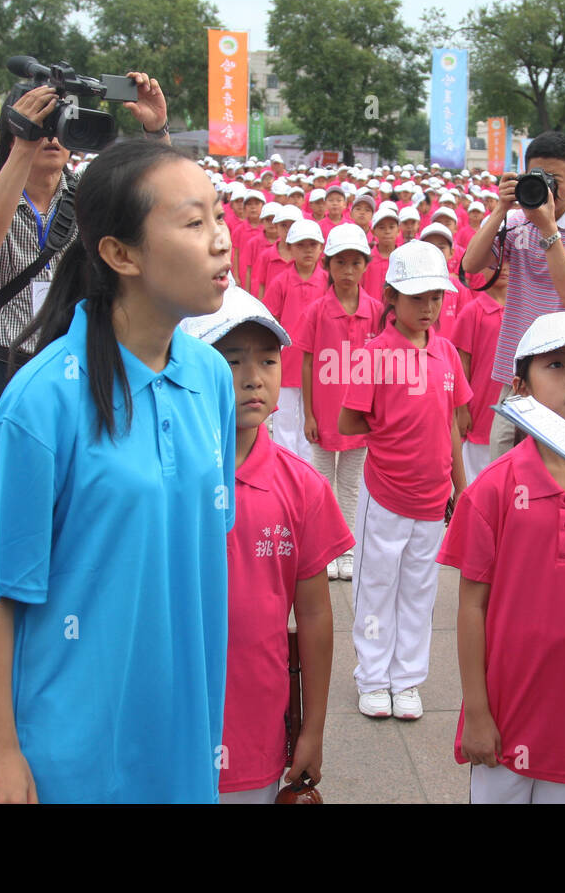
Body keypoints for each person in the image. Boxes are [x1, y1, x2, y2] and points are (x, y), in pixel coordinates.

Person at [0, 139, 236, 804]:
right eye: (194, 223)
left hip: (183, 728)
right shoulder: (41, 403)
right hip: (76, 747)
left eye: (219, 216)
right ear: (121, 254)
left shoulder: (209, 377)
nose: (222, 241)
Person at [0, 71, 169, 723]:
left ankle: (66, 664)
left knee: (79, 522)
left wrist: (154, 129)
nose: (53, 139)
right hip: (2, 372)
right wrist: (21, 146)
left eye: (58, 128)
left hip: (78, 370)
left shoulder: (85, 197)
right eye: (39, 127)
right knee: (1, 528)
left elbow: (157, 199)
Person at [446, 311, 565, 803]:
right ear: (520, 389)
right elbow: (471, 607)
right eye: (556, 365)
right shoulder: (494, 488)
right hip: (505, 718)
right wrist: (478, 713)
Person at [183, 286, 349, 803]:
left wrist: (313, 729)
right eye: (231, 360)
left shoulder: (303, 487)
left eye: (268, 360)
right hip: (169, 719)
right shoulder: (163, 477)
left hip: (256, 726)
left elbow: (316, 616)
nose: (253, 377)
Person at [339, 241, 471, 721]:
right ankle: (373, 677)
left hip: (433, 500)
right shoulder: (374, 355)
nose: (428, 307)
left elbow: (455, 424)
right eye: (417, 298)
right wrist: (393, 432)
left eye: (436, 297)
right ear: (392, 297)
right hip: (387, 494)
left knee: (419, 590)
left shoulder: (447, 354)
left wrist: (461, 486)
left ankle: (407, 679)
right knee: (377, 585)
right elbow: (351, 421)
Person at [460, 131, 565, 462]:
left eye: (553, 179)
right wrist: (501, 209)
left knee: (556, 460)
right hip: (516, 368)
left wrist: (547, 229)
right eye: (536, 177)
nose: (544, 186)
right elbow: (471, 265)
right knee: (504, 457)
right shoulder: (517, 220)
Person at [297, 224, 377, 581]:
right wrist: (309, 414)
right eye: (340, 262)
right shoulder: (316, 311)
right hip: (325, 414)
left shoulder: (376, 311)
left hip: (359, 417)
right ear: (327, 265)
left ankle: (347, 548)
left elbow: (382, 364)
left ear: (365, 266)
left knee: (351, 484)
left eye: (355, 262)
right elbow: (307, 361)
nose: (347, 271)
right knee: (320, 481)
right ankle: (323, 547)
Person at [263, 219, 327, 460]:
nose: (308, 250)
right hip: (288, 361)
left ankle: (307, 469)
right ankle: (285, 464)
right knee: (285, 419)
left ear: (321, 248)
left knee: (312, 419)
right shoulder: (281, 281)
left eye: (313, 244)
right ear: (290, 248)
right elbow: (270, 320)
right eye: (301, 245)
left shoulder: (327, 282)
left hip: (320, 362)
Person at [452, 262, 507, 485]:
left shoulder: (522, 308)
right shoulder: (472, 311)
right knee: (477, 477)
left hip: (512, 408)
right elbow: (462, 363)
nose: (504, 267)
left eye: (511, 261)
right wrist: (462, 409)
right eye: (495, 262)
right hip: (481, 410)